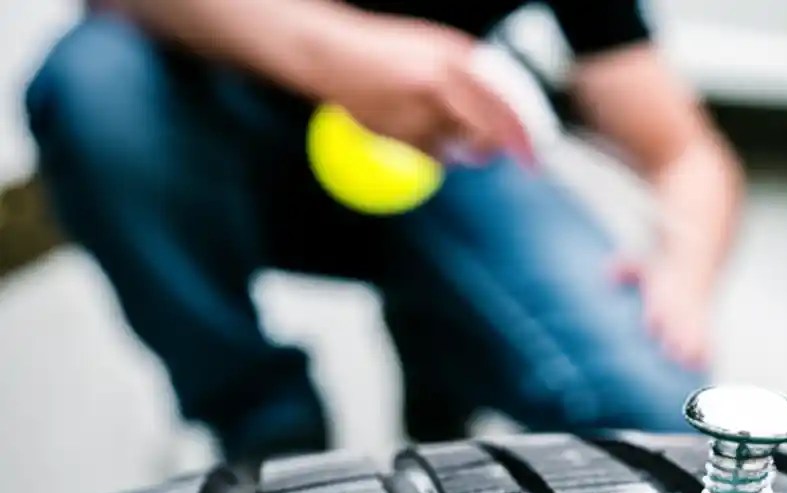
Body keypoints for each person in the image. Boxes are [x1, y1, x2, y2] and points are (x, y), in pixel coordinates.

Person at [25, 0, 745, 460]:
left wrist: (683, 271)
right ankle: (262, 425)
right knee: (96, 79)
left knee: (658, 423)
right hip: (209, 122)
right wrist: (338, 54)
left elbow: (685, 152)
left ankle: (442, 362)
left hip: (443, 154)